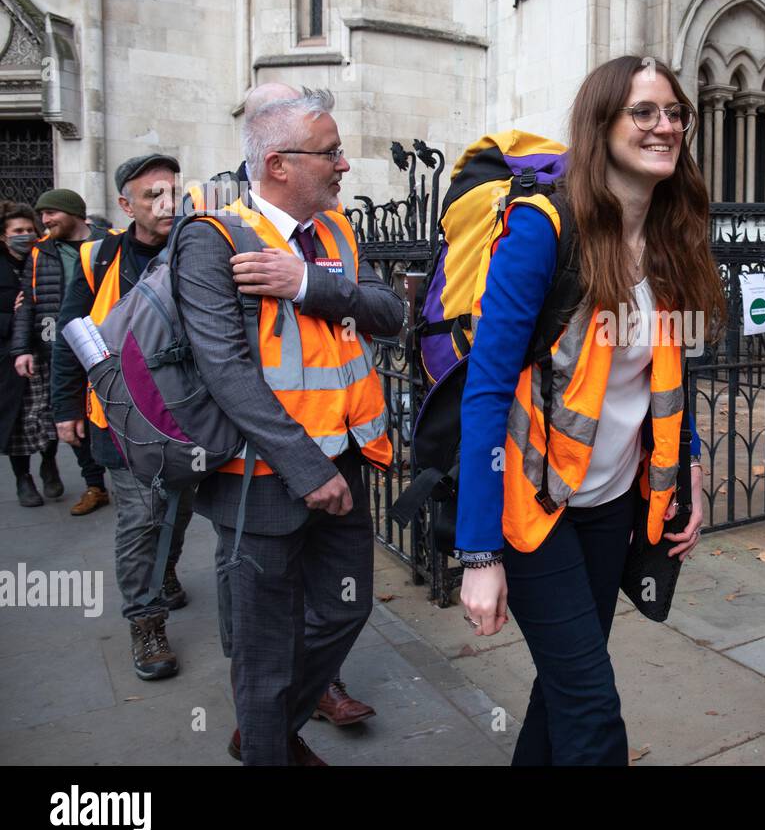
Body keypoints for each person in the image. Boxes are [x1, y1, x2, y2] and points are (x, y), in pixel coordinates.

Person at [458, 56, 722, 765]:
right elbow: (485, 390)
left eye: (674, 113)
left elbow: (667, 372)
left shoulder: (674, 235)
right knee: (595, 715)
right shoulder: (544, 230)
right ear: (601, 123)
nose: (664, 126)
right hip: (535, 508)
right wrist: (479, 552)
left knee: (565, 692)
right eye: (644, 112)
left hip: (612, 507)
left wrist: (688, 463)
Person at [174, 87, 403, 765]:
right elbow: (225, 371)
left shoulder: (335, 232)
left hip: (348, 461)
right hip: (264, 478)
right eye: (330, 153)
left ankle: (265, 729)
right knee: (264, 647)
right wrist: (308, 470)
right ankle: (270, 743)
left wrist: (306, 284)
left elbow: (387, 311)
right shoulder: (212, 238)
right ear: (278, 163)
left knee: (345, 608)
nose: (344, 165)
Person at [50, 154, 194, 681]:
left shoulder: (195, 247)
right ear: (125, 203)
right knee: (141, 519)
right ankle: (145, 622)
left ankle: (167, 572)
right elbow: (70, 339)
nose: (166, 203)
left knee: (177, 511)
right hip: (120, 419)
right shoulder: (99, 258)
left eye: (172, 191)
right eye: (153, 194)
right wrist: (65, 408)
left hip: (186, 418)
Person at [11, 188, 109, 515]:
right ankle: (94, 485)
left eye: (51, 213)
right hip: (60, 348)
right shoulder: (40, 253)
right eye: (42, 215)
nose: (45, 220)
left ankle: (133, 478)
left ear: (74, 212)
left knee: (116, 410)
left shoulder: (110, 242)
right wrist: (22, 349)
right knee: (70, 414)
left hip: (107, 344)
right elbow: (27, 305)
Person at [1, 201, 59, 507]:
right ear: (4, 236)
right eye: (17, 231)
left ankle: (49, 464)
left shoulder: (42, 258)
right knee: (19, 421)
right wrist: (11, 316)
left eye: (29, 229)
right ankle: (23, 478)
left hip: (43, 349)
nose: (25, 235)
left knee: (48, 413)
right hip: (9, 357)